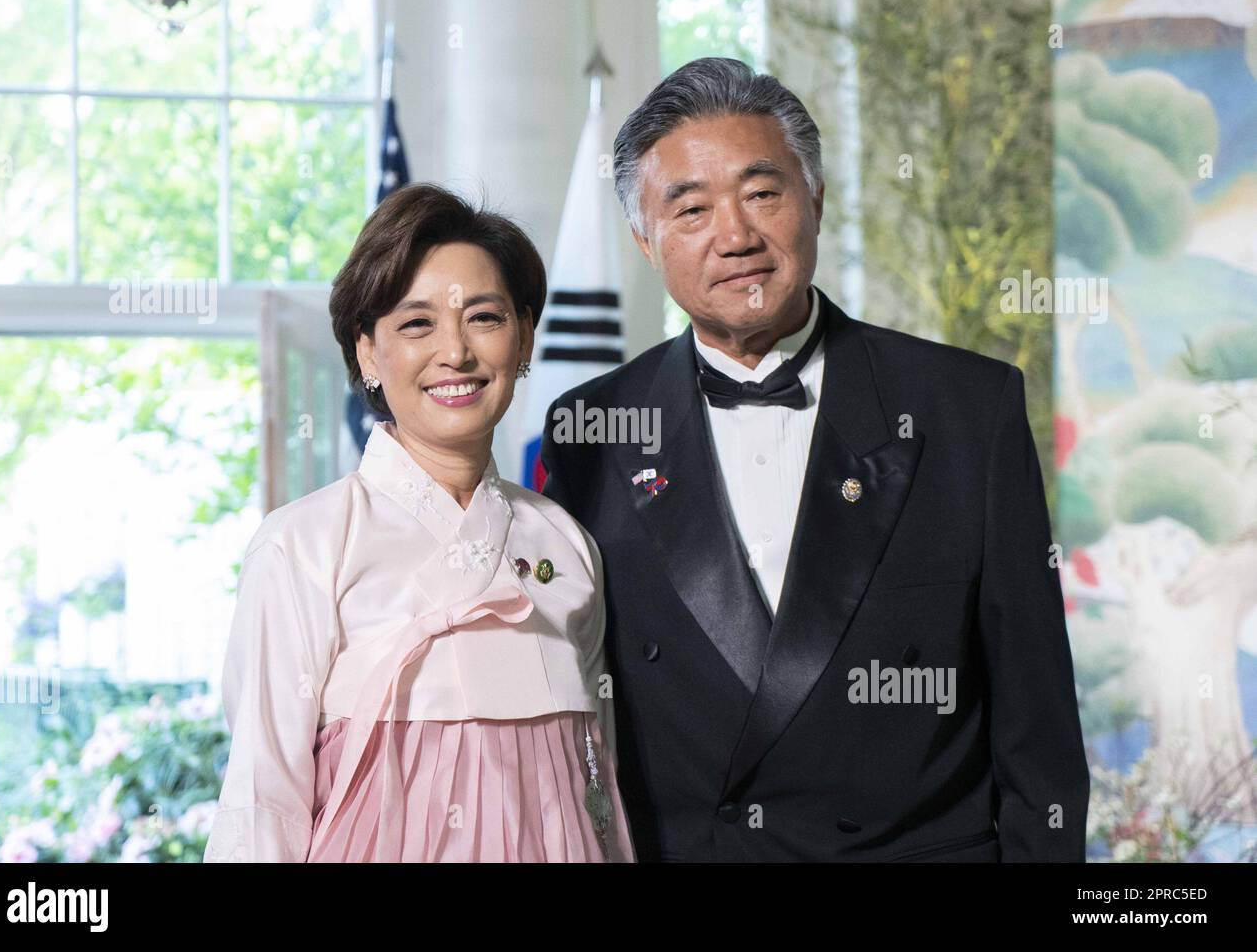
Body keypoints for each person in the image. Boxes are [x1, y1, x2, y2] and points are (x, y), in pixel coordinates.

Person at [540, 57, 1089, 861]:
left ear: (817, 201)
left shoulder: (968, 409)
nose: (735, 235)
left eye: (763, 193)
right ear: (645, 242)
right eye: (690, 208)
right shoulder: (590, 426)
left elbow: (1036, 724)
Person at [205, 183, 634, 863]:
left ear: (524, 336)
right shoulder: (304, 546)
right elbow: (263, 802)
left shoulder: (567, 545)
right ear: (369, 353)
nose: (456, 353)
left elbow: (597, 791)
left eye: (484, 318)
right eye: (416, 324)